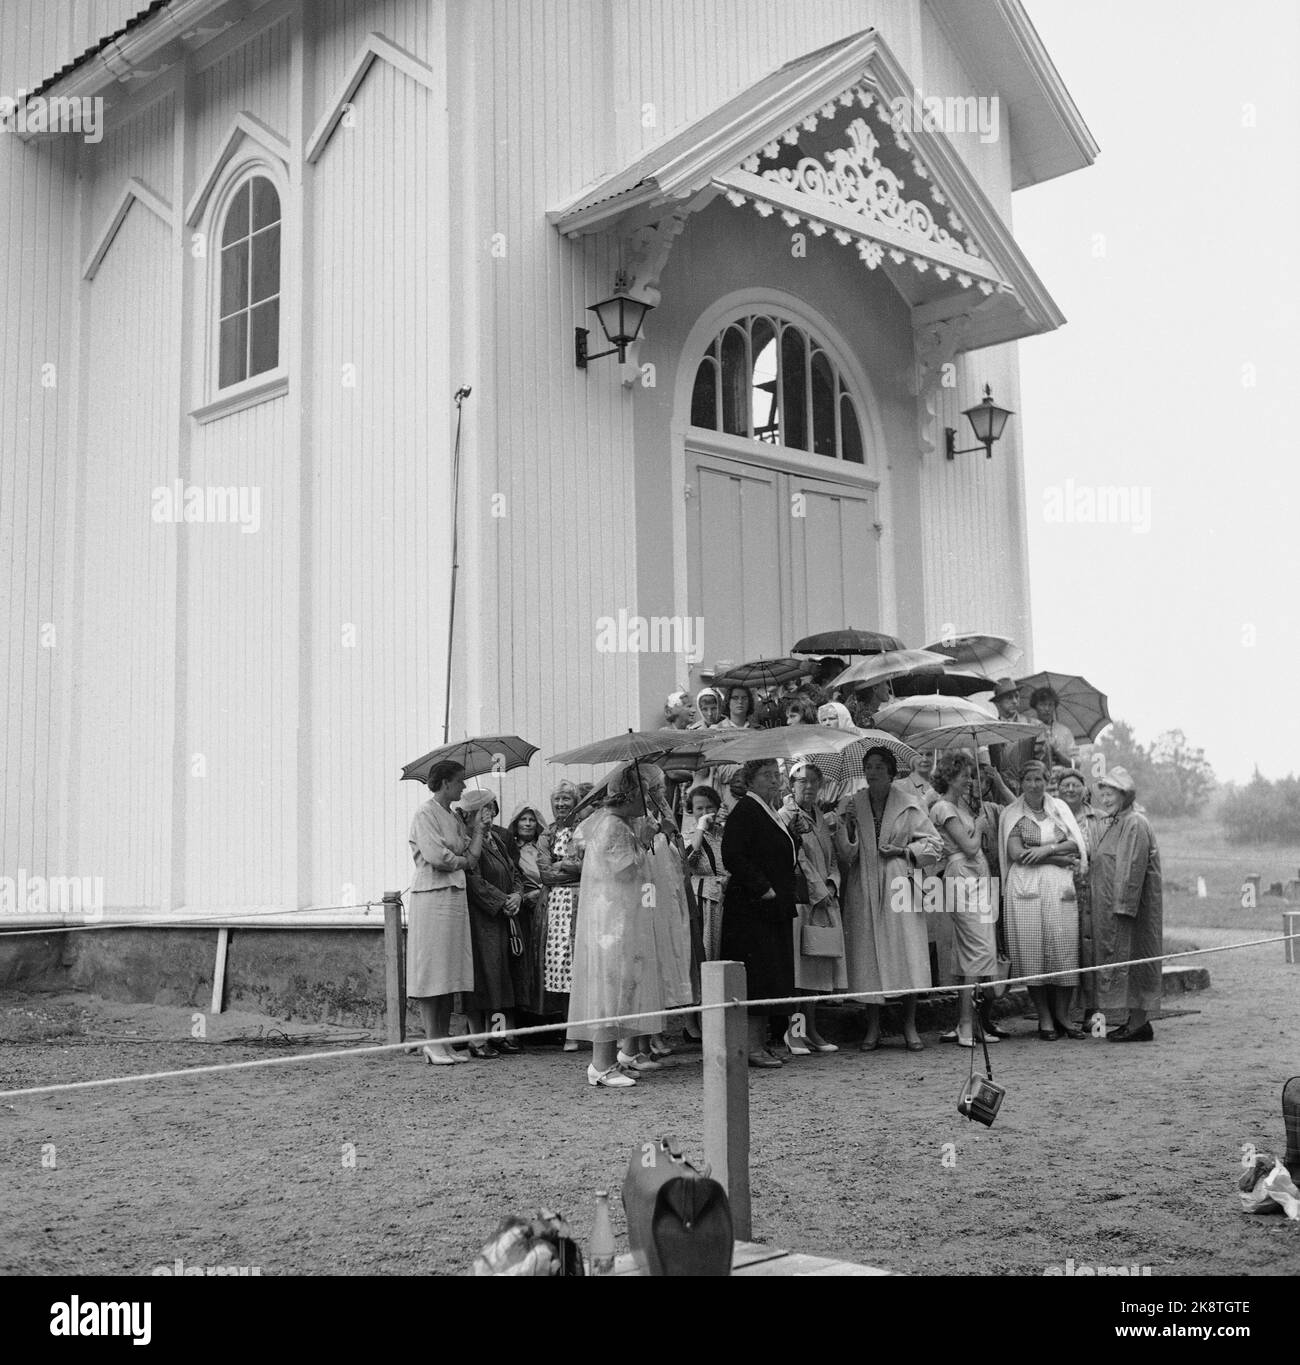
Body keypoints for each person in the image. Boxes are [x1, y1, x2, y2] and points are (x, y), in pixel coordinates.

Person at [840, 746, 944, 1051]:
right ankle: (873, 1027)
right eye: (868, 767)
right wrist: (847, 826)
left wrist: (902, 851)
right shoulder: (854, 803)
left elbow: (935, 845)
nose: (872, 772)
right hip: (865, 884)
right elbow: (846, 855)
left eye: (878, 767)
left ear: (891, 771)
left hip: (900, 882)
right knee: (868, 954)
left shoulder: (909, 804)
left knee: (907, 951)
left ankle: (909, 1026)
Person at [567, 763, 663, 1088]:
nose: (648, 799)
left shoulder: (619, 824)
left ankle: (614, 1059)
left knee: (622, 988)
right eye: (645, 792)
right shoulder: (613, 827)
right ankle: (601, 1064)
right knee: (609, 990)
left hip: (621, 919)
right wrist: (645, 840)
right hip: (612, 924)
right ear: (631, 793)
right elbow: (624, 872)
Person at [997, 760, 1089, 1040]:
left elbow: (1076, 843)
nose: (1034, 785)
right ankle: (1045, 1018)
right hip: (1026, 886)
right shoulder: (1012, 813)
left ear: (1047, 781)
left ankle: (1062, 1015)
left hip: (1060, 886)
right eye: (1029, 780)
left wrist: (1044, 850)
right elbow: (1016, 853)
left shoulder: (1059, 809)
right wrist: (1057, 857)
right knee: (1032, 950)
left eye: (1039, 779)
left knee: (1064, 949)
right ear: (1020, 783)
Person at [720, 758, 799, 1069]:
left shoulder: (769, 810)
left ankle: (761, 1043)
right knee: (759, 975)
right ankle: (751, 1046)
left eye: (775, 774)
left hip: (772, 907)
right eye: (766, 775)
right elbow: (732, 855)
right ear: (750, 780)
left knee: (771, 974)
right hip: (753, 908)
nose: (774, 780)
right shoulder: (746, 811)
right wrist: (762, 887)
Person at [407, 760, 483, 1065]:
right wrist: (462, 860)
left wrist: (476, 828)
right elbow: (438, 856)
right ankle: (432, 1042)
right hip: (433, 898)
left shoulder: (452, 816)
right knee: (432, 972)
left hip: (453, 898)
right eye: (459, 781)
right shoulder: (425, 813)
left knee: (449, 973)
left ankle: (443, 1041)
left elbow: (470, 854)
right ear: (445, 783)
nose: (464, 787)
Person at [928, 752, 999, 1048]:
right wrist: (980, 826)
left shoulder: (961, 807)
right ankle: (967, 1024)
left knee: (978, 950)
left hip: (977, 878)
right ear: (950, 777)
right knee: (975, 949)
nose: (969, 780)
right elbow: (969, 846)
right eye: (964, 775)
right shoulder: (943, 807)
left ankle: (970, 1022)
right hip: (962, 876)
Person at [1088, 767, 1163, 1042]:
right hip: (1111, 908)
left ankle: (1139, 1023)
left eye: (1112, 793)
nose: (1106, 799)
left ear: (1125, 794)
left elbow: (1131, 869)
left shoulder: (1134, 823)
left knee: (1137, 960)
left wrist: (1122, 908)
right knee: (1127, 962)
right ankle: (1135, 1021)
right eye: (1103, 794)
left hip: (1130, 910)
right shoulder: (1114, 822)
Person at [781, 762, 849, 1052]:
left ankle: (811, 1030)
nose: (808, 787)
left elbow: (832, 857)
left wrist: (833, 882)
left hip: (824, 898)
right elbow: (798, 859)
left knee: (815, 970)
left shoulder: (819, 815)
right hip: (804, 899)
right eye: (802, 782)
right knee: (799, 973)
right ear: (791, 785)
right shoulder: (786, 816)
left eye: (813, 782)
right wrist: (820, 890)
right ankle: (793, 1032)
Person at [459, 792, 524, 1057]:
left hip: (503, 917)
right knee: (482, 979)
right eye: (483, 810)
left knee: (499, 978)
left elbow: (514, 871)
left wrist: (517, 895)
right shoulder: (466, 843)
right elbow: (473, 881)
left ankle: (497, 1035)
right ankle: (476, 1041)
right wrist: (501, 901)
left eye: (491, 808)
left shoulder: (497, 839)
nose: (488, 814)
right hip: (481, 919)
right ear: (471, 814)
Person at [537, 781, 583, 1050]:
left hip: (581, 901)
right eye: (557, 800)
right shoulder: (547, 834)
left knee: (581, 962)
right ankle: (569, 1031)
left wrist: (562, 865)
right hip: (556, 905)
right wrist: (570, 870)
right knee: (561, 964)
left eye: (567, 799)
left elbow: (586, 865)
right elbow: (544, 872)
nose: (561, 804)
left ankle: (583, 1028)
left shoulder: (582, 830)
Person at [505, 802, 547, 1016]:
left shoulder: (544, 845)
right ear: (516, 822)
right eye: (523, 819)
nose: (528, 824)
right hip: (522, 911)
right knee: (524, 962)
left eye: (532, 820)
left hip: (545, 907)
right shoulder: (509, 847)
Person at [684, 784, 728, 961]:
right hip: (703, 898)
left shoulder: (724, 832)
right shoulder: (688, 834)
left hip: (725, 893)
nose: (705, 812)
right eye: (699, 808)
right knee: (706, 945)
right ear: (691, 810)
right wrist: (700, 828)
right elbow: (688, 861)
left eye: (709, 807)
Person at [1029, 687, 1076, 768]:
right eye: (1042, 705)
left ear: (1055, 707)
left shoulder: (1064, 731)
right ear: (1035, 706)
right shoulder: (1029, 729)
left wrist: (1056, 750)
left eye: (1050, 705)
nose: (1047, 709)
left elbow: (1076, 764)